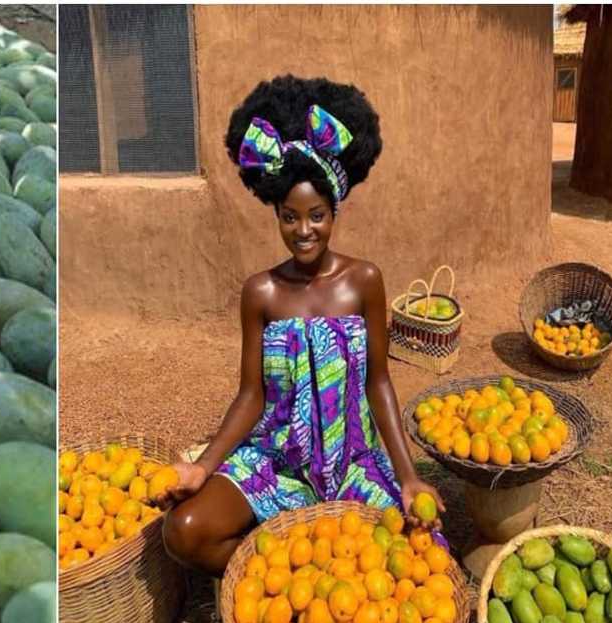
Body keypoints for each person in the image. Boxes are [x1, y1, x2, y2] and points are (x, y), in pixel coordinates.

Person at [160, 75, 445, 577]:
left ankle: (307, 556)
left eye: (316, 215)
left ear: (334, 211)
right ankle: (292, 572)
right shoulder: (261, 293)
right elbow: (251, 395)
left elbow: (379, 381)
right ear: (276, 215)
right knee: (183, 532)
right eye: (289, 217)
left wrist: (408, 476)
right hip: (277, 460)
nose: (304, 231)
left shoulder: (364, 281)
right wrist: (204, 466)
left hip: (353, 459)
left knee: (420, 559)